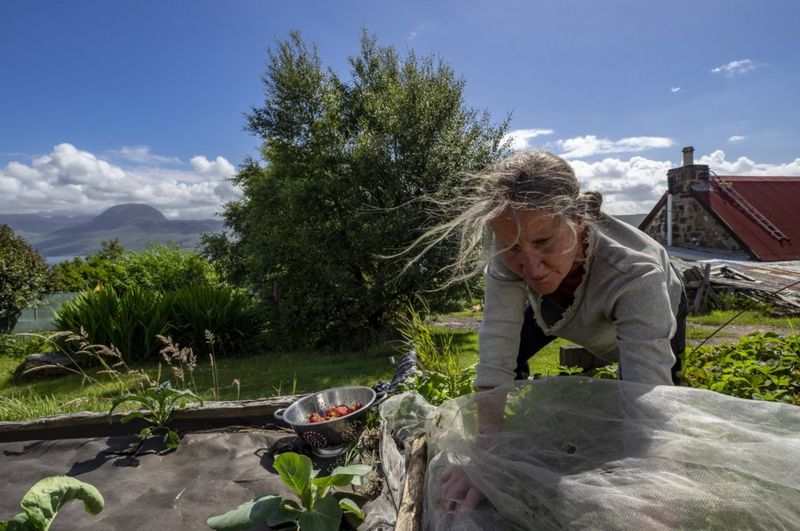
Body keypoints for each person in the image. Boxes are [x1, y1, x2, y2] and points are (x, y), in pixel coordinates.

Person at [412, 150, 687, 514]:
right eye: (512, 247)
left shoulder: (635, 274)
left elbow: (647, 395)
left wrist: (650, 491)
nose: (530, 266)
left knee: (645, 404)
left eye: (543, 242)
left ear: (578, 222)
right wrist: (485, 457)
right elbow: (496, 351)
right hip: (554, 308)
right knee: (511, 361)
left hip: (654, 309)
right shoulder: (512, 257)